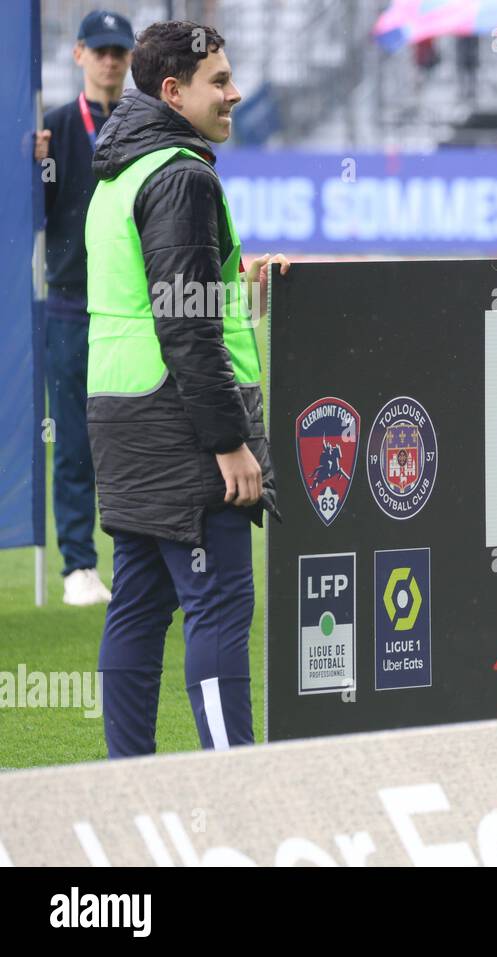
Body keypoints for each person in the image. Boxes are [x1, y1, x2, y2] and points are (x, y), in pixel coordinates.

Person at [85, 20, 287, 757]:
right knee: (220, 607)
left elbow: (162, 302)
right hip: (182, 424)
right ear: (173, 92)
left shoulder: (120, 169)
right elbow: (186, 325)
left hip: (120, 415)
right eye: (220, 82)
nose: (235, 93)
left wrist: (240, 286)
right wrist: (229, 441)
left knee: (138, 605)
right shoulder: (181, 175)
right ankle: (235, 785)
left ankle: (127, 782)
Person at [32, 10, 137, 606]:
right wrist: (34, 164)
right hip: (71, 304)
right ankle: (78, 565)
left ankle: (137, 559)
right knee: (72, 438)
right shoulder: (52, 129)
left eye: (118, 51)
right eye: (99, 50)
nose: (109, 60)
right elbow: (32, 215)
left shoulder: (147, 124)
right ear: (78, 55)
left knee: (134, 435)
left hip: (132, 305)